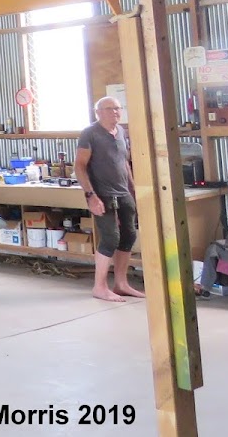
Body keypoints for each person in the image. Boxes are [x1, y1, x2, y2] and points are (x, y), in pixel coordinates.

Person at [74, 96, 145, 302]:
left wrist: (132, 189)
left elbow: (123, 162)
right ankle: (100, 286)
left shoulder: (121, 132)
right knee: (110, 237)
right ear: (98, 113)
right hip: (102, 193)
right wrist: (91, 196)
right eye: (109, 109)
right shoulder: (90, 134)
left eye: (117, 108)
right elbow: (79, 166)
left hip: (123, 192)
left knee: (129, 235)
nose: (115, 112)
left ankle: (121, 284)